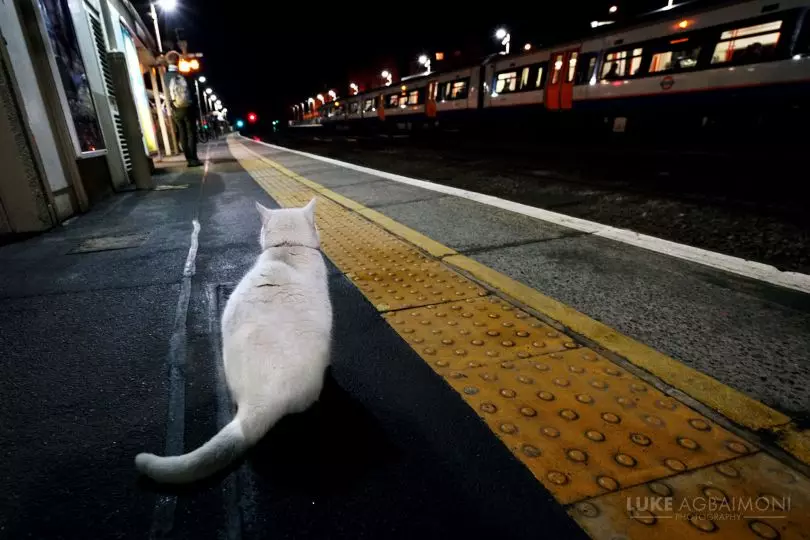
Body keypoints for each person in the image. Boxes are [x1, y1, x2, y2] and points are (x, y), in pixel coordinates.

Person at [163, 51, 203, 167]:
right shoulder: (183, 73)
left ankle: (189, 160)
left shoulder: (165, 76)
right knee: (191, 132)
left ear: (168, 61)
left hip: (175, 107)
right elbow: (190, 90)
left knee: (182, 132)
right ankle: (194, 159)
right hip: (187, 106)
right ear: (178, 60)